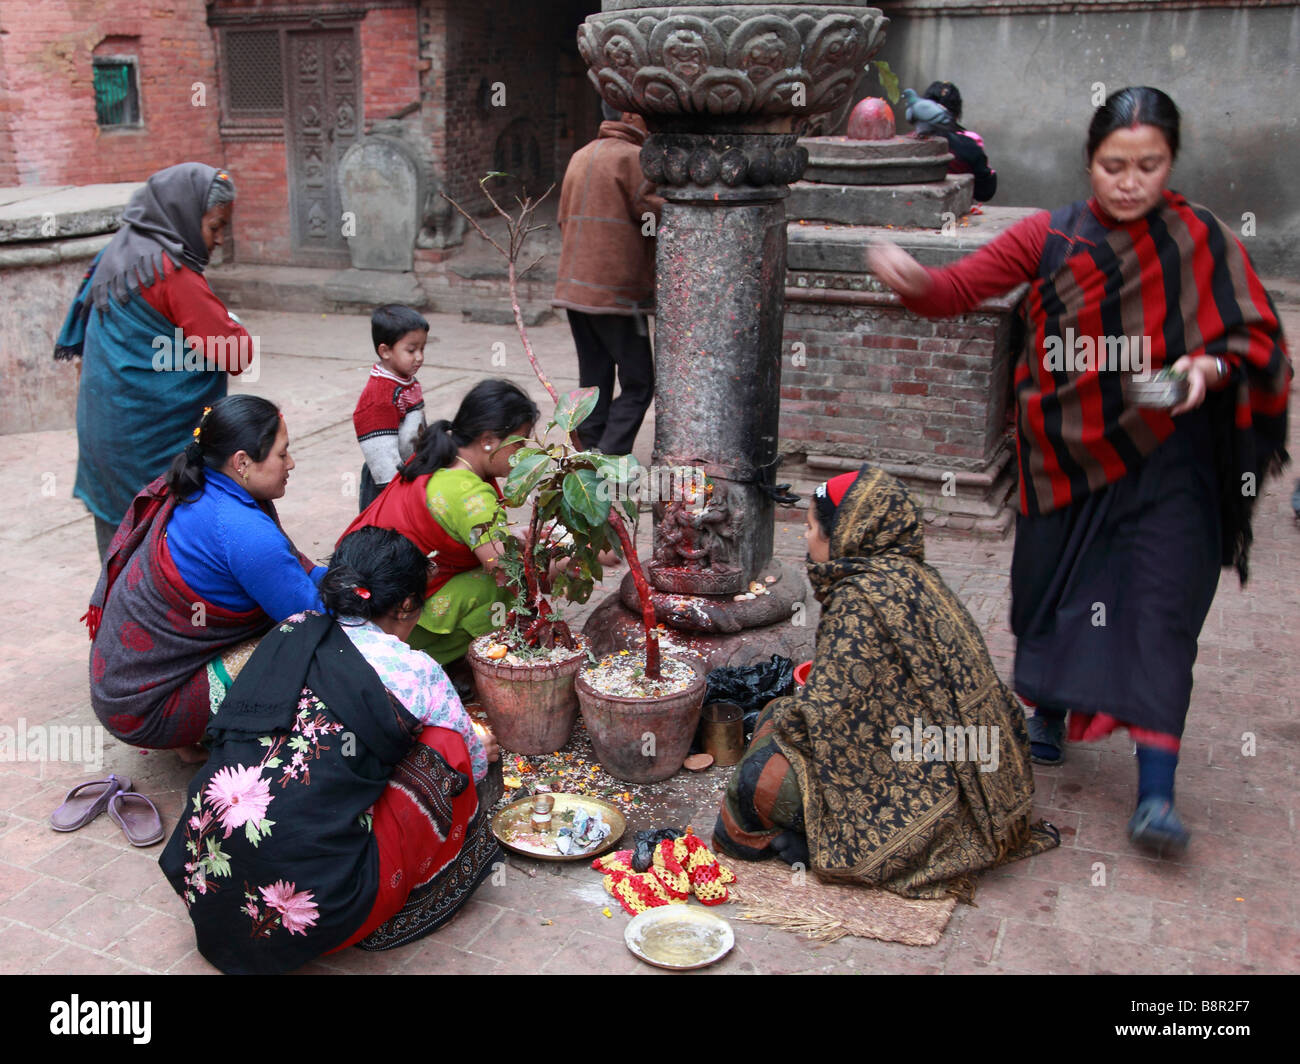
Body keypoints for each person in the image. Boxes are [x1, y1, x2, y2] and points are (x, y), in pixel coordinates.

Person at [868, 87, 1291, 856]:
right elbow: (961, 288)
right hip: (1062, 455)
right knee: (1047, 594)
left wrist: (1206, 369)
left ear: (1171, 163)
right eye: (1113, 166)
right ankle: (1050, 709)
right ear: (1090, 161)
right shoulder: (1051, 235)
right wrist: (913, 281)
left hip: (1170, 456)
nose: (1130, 182)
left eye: (1148, 166)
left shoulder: (1201, 238)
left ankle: (1156, 795)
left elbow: (1257, 341)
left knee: (1162, 611)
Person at [159, 527, 504, 974]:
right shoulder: (417, 671)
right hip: (326, 909)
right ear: (405, 605)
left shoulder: (292, 629)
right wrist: (478, 744)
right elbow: (472, 763)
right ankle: (415, 883)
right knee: (447, 743)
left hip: (203, 876)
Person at [713, 465, 1057, 899]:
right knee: (776, 719)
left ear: (845, 536)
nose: (806, 537)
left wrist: (780, 726)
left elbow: (826, 720)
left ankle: (821, 847)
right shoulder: (917, 576)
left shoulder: (857, 601)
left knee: (758, 774)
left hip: (931, 782)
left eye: (812, 528)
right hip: (986, 773)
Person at [86, 395, 324, 757]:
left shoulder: (200, 485)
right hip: (146, 711)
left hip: (121, 688)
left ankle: (193, 728)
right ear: (242, 462)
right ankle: (219, 738)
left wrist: (334, 575)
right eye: (282, 454)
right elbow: (313, 618)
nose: (291, 463)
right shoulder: (244, 531)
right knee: (308, 648)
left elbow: (297, 570)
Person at [54, 163, 254, 560]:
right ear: (185, 214)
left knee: (118, 546)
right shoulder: (170, 271)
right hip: (150, 442)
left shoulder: (118, 250)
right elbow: (235, 353)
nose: (218, 240)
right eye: (214, 227)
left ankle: (116, 595)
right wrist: (231, 321)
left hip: (104, 433)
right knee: (159, 550)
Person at [342, 378, 539, 666]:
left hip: (359, 603)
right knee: (504, 588)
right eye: (519, 442)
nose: (523, 454)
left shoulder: (437, 458)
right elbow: (504, 570)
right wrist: (561, 563)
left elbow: (460, 528)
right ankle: (432, 660)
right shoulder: (471, 495)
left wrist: (511, 538)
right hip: (392, 622)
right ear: (488, 440)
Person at [552, 100, 663, 454]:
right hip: (616, 295)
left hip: (574, 289)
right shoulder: (633, 158)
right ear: (629, 115)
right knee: (639, 383)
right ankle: (610, 455)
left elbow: (561, 218)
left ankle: (589, 455)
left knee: (594, 381)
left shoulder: (580, 155)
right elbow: (657, 215)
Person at [353, 304, 429, 511]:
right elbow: (381, 453)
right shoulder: (379, 396)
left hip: (410, 474)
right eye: (411, 350)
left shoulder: (407, 382)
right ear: (385, 351)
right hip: (387, 484)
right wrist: (397, 493)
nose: (419, 357)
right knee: (385, 528)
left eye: (422, 349)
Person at [922, 80, 996, 202]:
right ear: (957, 111)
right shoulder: (970, 142)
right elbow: (985, 191)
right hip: (955, 208)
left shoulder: (909, 142)